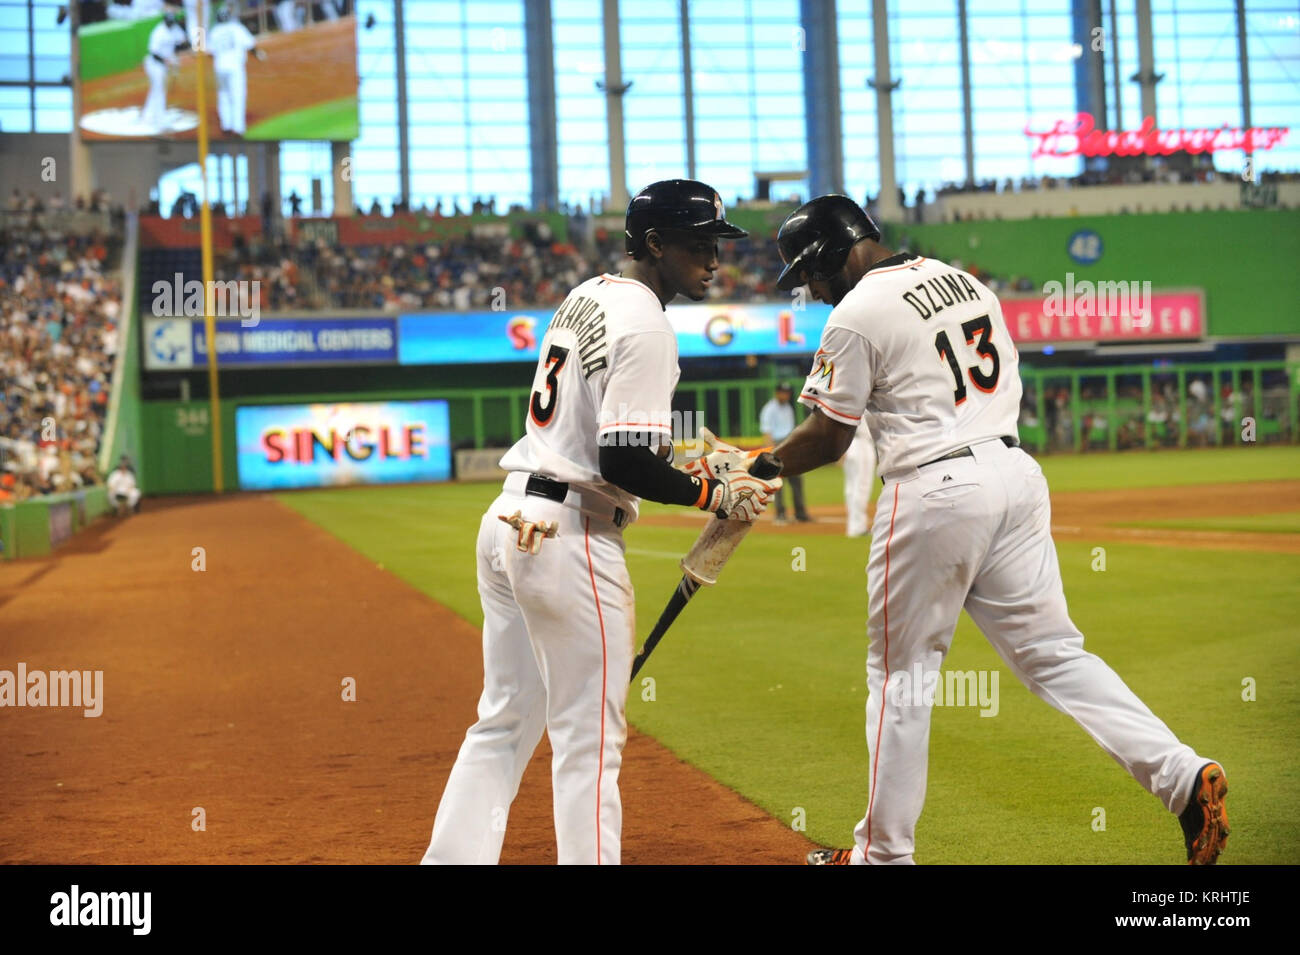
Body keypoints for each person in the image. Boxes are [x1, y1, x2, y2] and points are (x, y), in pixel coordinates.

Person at [703, 194, 1228, 866]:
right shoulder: (964, 279)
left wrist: (759, 467)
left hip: (934, 490)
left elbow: (832, 437)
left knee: (902, 678)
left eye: (811, 273)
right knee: (1056, 655)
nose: (812, 288)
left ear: (836, 254)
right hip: (1014, 475)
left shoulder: (857, 313)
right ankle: (1183, 777)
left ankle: (882, 855)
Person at [420, 179, 781, 865]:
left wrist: (698, 459)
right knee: (588, 743)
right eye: (699, 243)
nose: (714, 257)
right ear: (654, 244)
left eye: (717, 243)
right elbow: (622, 457)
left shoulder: (587, 294)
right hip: (572, 534)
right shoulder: (647, 321)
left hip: (509, 519)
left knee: (502, 722)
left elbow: (606, 431)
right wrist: (711, 495)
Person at [207, 4, 265, 137]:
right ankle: (238, 128)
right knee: (238, 96)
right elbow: (250, 45)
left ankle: (226, 125)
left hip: (220, 68)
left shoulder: (214, 32)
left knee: (223, 95)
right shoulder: (237, 28)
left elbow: (209, 52)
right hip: (235, 67)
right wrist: (258, 54)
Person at [759, 382, 810, 523]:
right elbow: (767, 432)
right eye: (783, 392)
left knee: (796, 479)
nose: (785, 395)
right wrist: (770, 453)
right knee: (778, 481)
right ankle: (780, 514)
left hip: (789, 444)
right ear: (777, 393)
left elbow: (791, 429)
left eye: (787, 393)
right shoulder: (769, 409)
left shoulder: (788, 408)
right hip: (777, 445)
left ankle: (800, 513)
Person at [141, 10, 187, 132]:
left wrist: (175, 55)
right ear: (165, 22)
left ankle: (148, 115)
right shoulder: (158, 33)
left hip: (163, 64)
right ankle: (160, 122)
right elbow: (154, 53)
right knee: (159, 91)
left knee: (156, 89)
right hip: (154, 65)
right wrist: (168, 61)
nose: (171, 25)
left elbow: (181, 41)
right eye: (169, 23)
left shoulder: (175, 28)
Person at [841, 418, 876, 538]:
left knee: (851, 488)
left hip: (849, 443)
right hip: (861, 445)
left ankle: (853, 526)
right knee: (861, 486)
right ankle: (858, 527)